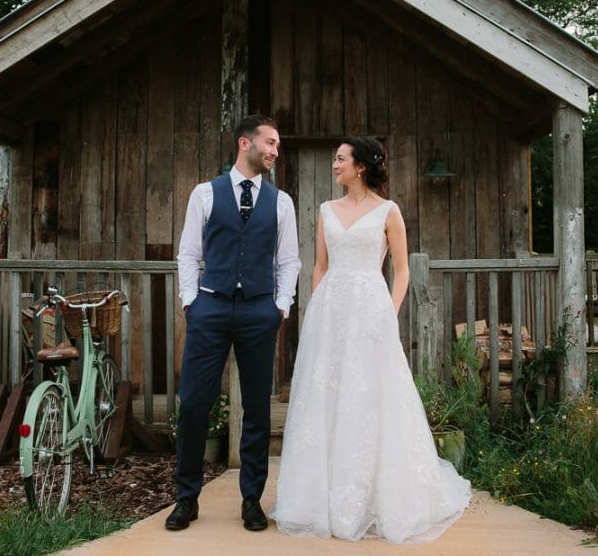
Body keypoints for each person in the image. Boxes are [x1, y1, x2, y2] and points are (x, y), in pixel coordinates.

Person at [271, 136, 471, 543]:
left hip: (371, 312)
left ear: (360, 166)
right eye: (334, 159)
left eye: (340, 159)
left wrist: (387, 315)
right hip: (330, 314)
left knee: (372, 399)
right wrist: (315, 310)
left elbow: (401, 272)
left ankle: (372, 498)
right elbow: (320, 267)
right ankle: (320, 500)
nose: (334, 165)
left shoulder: (388, 211)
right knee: (326, 399)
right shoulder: (326, 210)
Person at [167, 114, 301, 532]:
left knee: (258, 409)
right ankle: (186, 498)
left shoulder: (281, 202)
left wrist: (280, 306)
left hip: (258, 312)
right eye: (270, 143)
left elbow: (289, 260)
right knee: (192, 404)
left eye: (277, 145)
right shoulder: (204, 194)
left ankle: (251, 500)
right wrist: (191, 301)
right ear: (246, 144)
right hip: (209, 309)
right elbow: (189, 253)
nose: (275, 151)